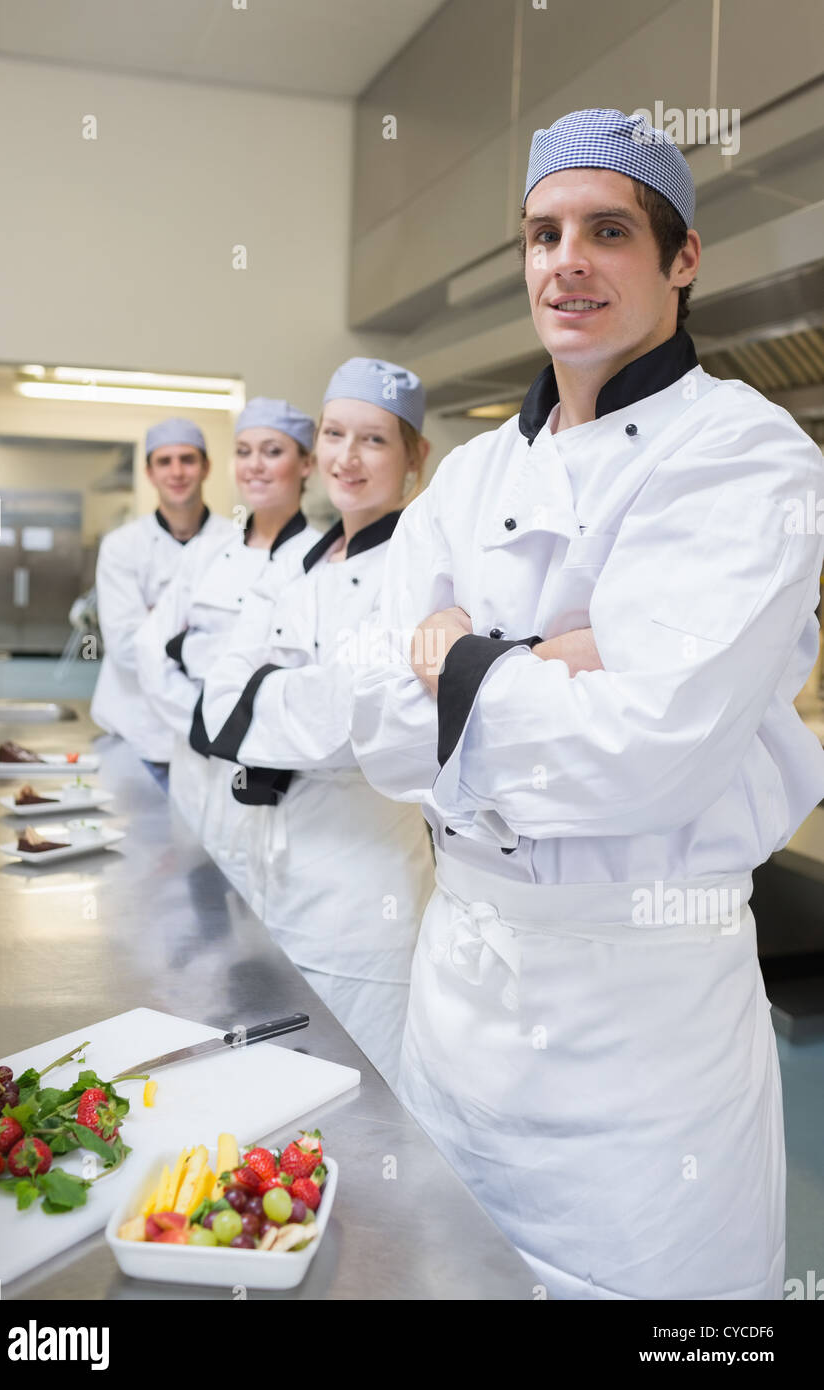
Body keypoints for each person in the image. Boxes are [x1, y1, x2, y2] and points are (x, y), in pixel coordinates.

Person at [350, 108, 824, 1299]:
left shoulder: (743, 454)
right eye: (541, 233)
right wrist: (555, 659)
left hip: (641, 1039)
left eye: (605, 231)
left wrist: (456, 659)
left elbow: (642, 753)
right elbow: (373, 719)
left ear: (680, 259)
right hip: (454, 1004)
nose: (564, 261)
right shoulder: (464, 475)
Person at [200, 358, 436, 1088]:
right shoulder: (300, 553)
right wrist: (289, 695)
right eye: (335, 434)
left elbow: (361, 720)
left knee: (360, 1095)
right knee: (279, 1092)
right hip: (270, 860)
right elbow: (217, 695)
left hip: (361, 890)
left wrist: (268, 690)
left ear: (412, 458)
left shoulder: (420, 567)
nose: (346, 457)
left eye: (373, 440)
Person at [134, 399, 320, 841]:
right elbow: (149, 649)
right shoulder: (208, 549)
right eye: (243, 451)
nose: (254, 466)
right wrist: (209, 716)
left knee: (251, 902)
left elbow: (293, 676)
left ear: (307, 464)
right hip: (194, 764)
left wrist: (190, 649)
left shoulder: (316, 559)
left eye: (272, 451)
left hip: (267, 777)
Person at [90, 418, 230, 785]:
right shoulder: (122, 546)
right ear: (149, 472)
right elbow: (124, 647)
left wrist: (156, 625)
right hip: (133, 736)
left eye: (188, 459)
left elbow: (239, 649)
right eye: (164, 462)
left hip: (210, 739)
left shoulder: (236, 544)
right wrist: (201, 634)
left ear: (206, 467)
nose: (177, 471)